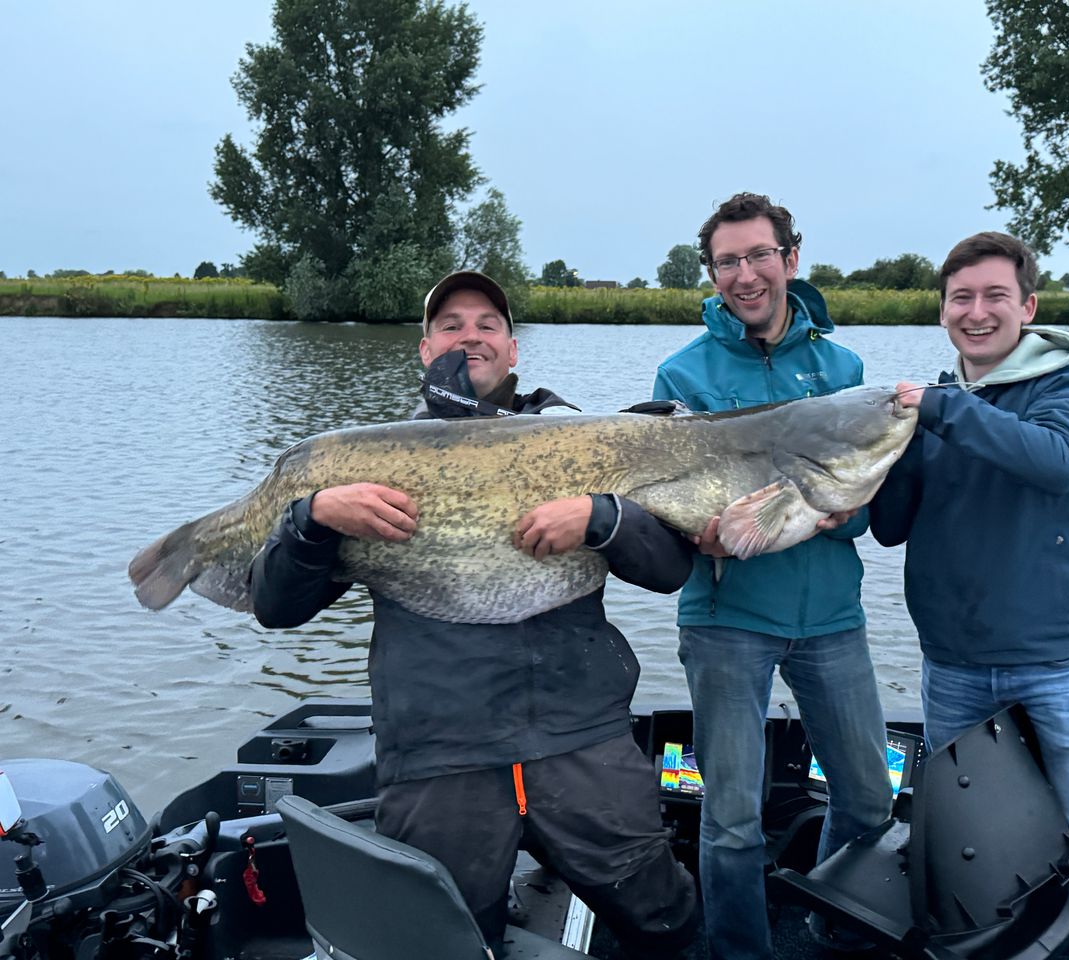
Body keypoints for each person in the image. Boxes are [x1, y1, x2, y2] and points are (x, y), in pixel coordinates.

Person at [251, 271, 698, 958]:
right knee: (449, 941)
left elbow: (671, 569)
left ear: (513, 349)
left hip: (580, 737)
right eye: (452, 325)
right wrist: (312, 520)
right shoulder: (368, 462)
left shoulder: (580, 436)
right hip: (438, 755)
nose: (471, 337)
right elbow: (277, 607)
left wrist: (602, 517)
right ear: (427, 350)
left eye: (487, 324)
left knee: (661, 915)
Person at [869, 232, 1069, 959]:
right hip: (954, 663)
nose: (978, 311)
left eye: (996, 295)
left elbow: (1054, 463)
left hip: (1058, 662)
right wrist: (890, 451)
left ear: (1027, 306)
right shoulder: (933, 405)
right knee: (965, 854)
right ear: (943, 312)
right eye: (961, 297)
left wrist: (939, 410)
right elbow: (893, 528)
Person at [652, 193, 892, 960]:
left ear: (791, 258)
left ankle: (839, 927)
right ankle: (739, 951)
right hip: (726, 621)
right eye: (728, 261)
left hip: (832, 616)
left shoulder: (844, 367)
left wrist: (832, 514)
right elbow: (669, 517)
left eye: (760, 255)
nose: (745, 274)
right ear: (712, 274)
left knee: (866, 798)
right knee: (729, 817)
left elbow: (862, 498)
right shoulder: (679, 374)